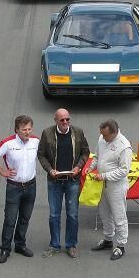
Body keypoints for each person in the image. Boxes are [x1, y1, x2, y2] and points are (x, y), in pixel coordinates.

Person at [37, 108, 90, 259]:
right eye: (62, 120)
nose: (65, 122)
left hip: (72, 181)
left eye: (67, 119)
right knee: (54, 215)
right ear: (56, 120)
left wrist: (78, 167)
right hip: (54, 182)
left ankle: (71, 245)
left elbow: (85, 152)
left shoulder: (78, 132)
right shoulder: (47, 133)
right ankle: (54, 245)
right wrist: (49, 169)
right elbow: (41, 155)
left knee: (72, 215)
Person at [0, 115, 39, 263]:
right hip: (14, 188)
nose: (27, 132)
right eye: (24, 130)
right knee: (10, 219)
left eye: (29, 129)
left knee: (25, 218)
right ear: (17, 130)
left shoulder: (36, 141)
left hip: (31, 186)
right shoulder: (7, 143)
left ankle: (20, 245)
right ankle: (5, 248)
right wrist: (2, 172)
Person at [90, 119, 132, 261]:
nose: (103, 138)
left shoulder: (124, 147)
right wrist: (91, 167)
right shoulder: (102, 138)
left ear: (114, 133)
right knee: (104, 213)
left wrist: (104, 176)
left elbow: (124, 171)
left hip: (116, 187)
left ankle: (121, 245)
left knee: (119, 216)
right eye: (102, 134)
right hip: (102, 184)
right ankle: (108, 239)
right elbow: (97, 156)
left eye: (106, 135)